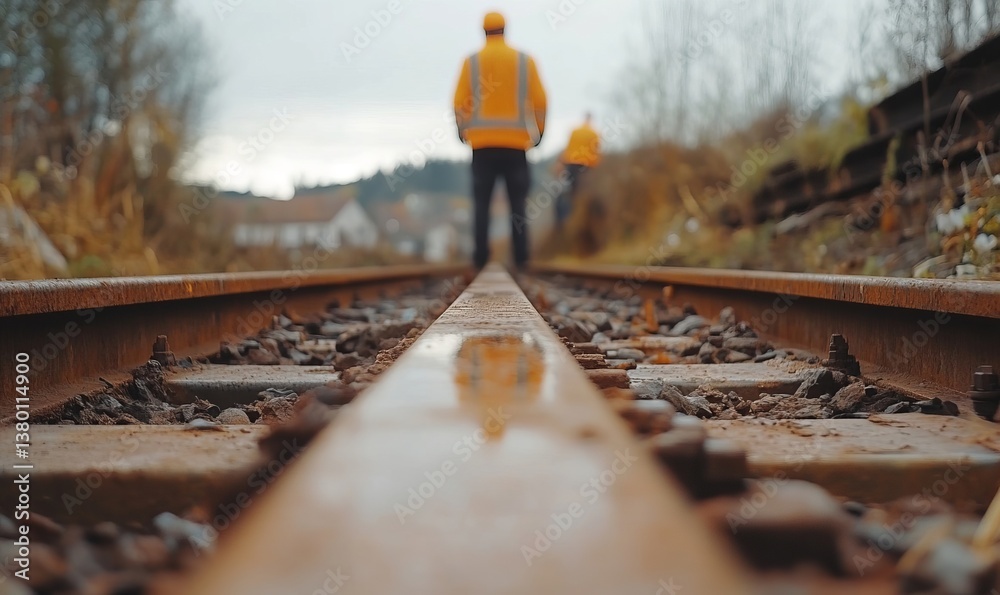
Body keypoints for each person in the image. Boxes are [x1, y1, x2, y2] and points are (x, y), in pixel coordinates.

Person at [453, 11, 547, 270]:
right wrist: (539, 132)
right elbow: (540, 101)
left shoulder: (471, 62)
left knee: (482, 203)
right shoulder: (524, 61)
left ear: (483, 31)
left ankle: (480, 257)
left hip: (482, 145)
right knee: (518, 203)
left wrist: (462, 131)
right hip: (516, 144)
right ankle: (521, 258)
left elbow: (460, 103)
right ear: (506, 29)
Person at [554, 113, 601, 229]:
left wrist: (561, 163)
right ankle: (576, 218)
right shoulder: (594, 133)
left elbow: (568, 149)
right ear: (591, 119)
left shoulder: (575, 131)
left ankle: (563, 221)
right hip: (587, 167)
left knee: (568, 192)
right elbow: (596, 152)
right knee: (581, 192)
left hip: (572, 166)